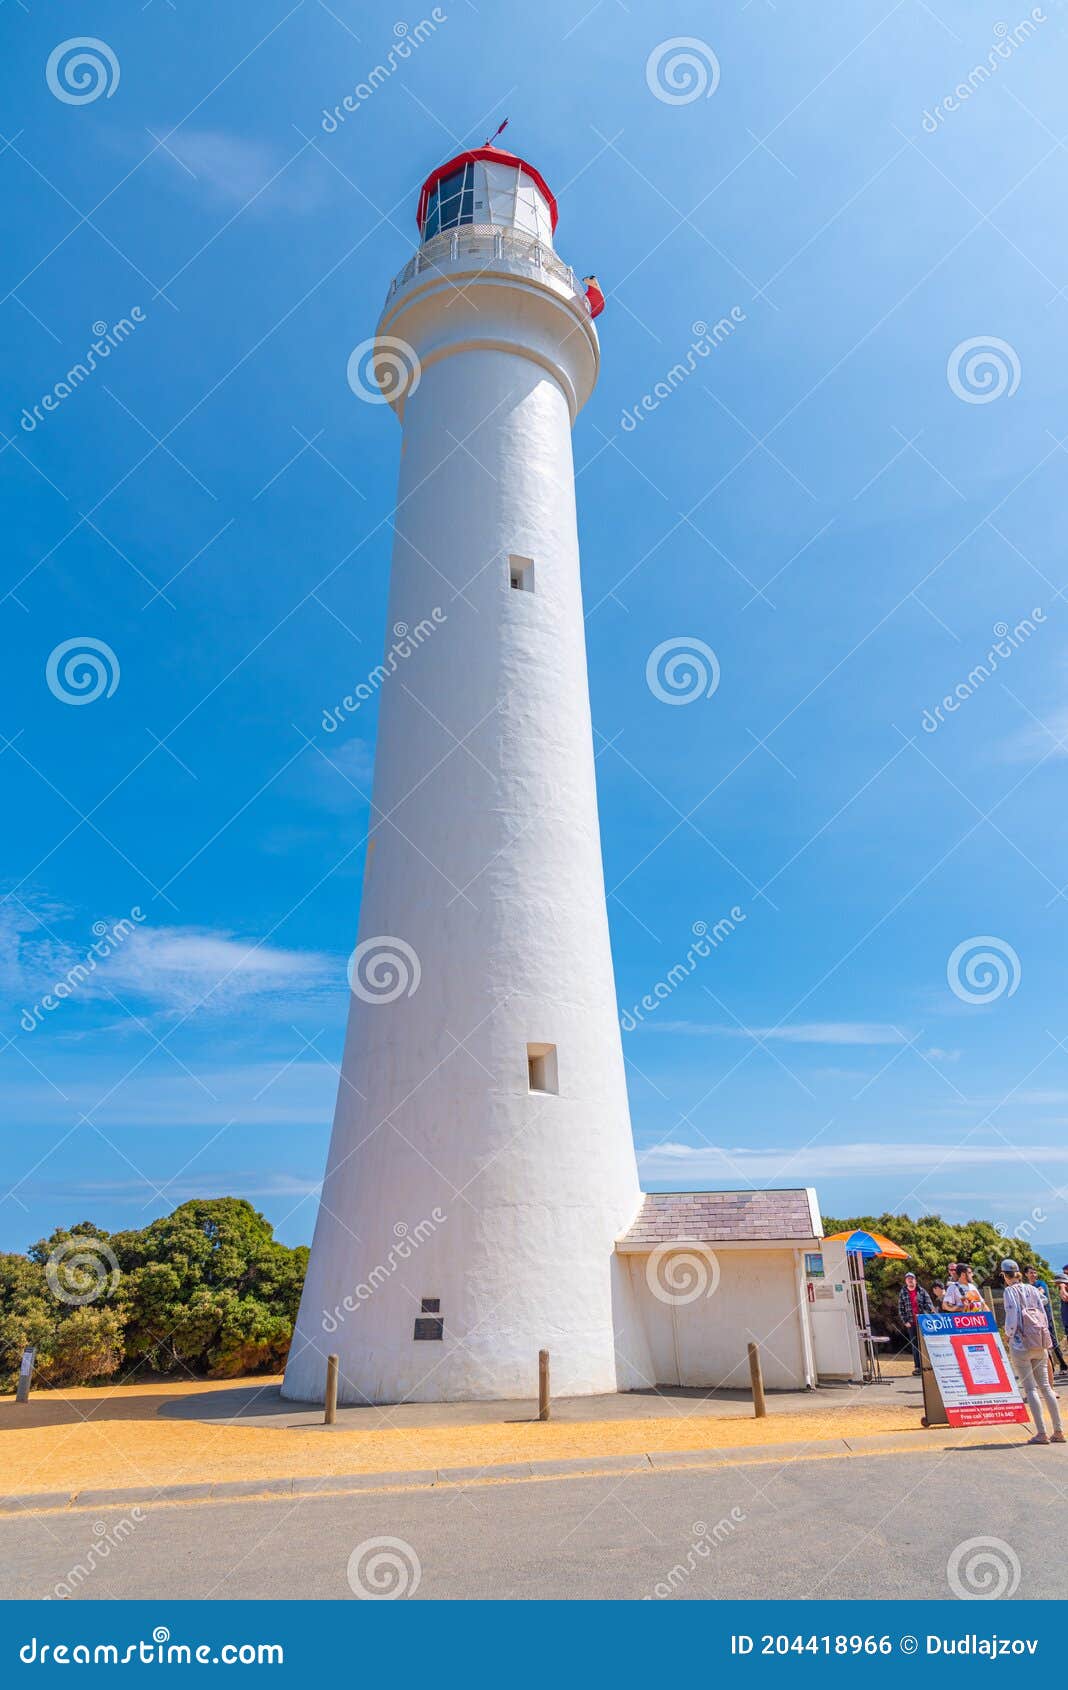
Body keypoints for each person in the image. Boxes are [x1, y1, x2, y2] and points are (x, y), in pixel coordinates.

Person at [1002, 1259, 1065, 1445]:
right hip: (1039, 1342)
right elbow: (1043, 1313)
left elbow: (1012, 1316)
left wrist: (1008, 1334)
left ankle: (1041, 1433)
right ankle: (1058, 1431)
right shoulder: (1032, 1289)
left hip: (1021, 1344)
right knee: (1046, 1387)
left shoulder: (1009, 1291)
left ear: (1005, 1275)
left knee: (1030, 1389)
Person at [1024, 1265, 1068, 1376]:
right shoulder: (1026, 1286)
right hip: (1032, 1319)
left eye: (1035, 1272)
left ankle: (1063, 1365)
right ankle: (1050, 1369)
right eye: (1031, 1273)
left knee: (1052, 1341)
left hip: (1045, 1317)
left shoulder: (1041, 1283)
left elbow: (1041, 1292)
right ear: (1026, 1274)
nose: (1034, 1275)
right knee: (1041, 1344)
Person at [897, 1272, 934, 1374]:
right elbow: (901, 1308)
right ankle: (918, 1367)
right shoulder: (903, 1292)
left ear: (915, 1280)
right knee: (915, 1345)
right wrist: (905, 1321)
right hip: (911, 1323)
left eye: (912, 1278)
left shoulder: (921, 1291)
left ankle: (928, 1365)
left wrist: (926, 1316)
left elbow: (929, 1304)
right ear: (905, 1281)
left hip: (923, 1322)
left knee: (926, 1343)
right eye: (908, 1279)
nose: (910, 1280)